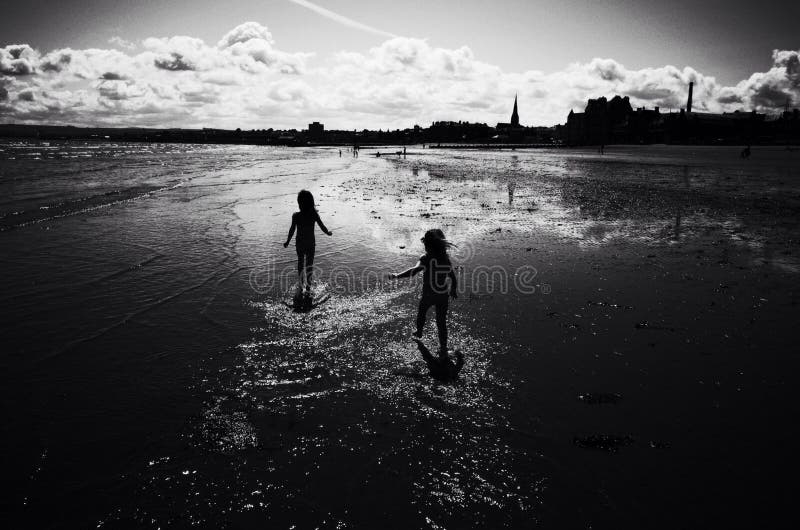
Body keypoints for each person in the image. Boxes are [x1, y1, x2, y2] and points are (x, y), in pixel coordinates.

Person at [390, 229, 458, 357]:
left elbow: (414, 271)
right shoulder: (445, 259)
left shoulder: (426, 259)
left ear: (428, 246)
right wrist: (453, 289)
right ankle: (443, 348)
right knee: (441, 322)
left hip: (428, 295)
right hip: (442, 296)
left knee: (421, 313)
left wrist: (397, 275)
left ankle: (419, 332)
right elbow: (452, 277)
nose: (425, 247)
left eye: (425, 245)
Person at [284, 190, 332, 293]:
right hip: (310, 244)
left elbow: (292, 230)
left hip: (300, 244)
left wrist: (288, 241)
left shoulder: (296, 216)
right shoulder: (313, 214)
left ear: (299, 204)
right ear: (311, 203)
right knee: (309, 265)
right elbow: (322, 226)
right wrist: (327, 232)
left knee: (300, 264)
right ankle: (308, 286)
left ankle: (301, 285)